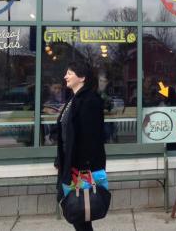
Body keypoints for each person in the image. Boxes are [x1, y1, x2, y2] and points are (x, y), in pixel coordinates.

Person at [55, 61, 107, 231]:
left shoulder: (90, 100)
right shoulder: (74, 99)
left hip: (81, 168)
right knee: (78, 213)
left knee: (80, 212)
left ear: (82, 77)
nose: (65, 76)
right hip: (70, 164)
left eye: (70, 73)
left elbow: (91, 138)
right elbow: (67, 133)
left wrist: (84, 169)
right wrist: (60, 160)